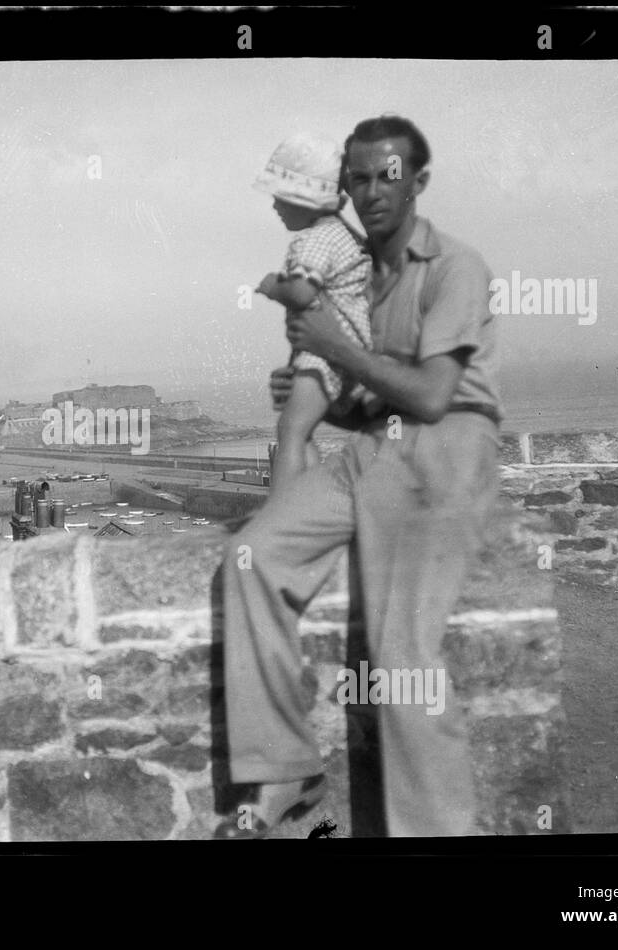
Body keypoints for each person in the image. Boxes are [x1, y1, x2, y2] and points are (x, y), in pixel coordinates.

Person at [216, 115, 504, 838]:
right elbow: (373, 395)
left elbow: (433, 396)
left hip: (441, 455)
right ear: (342, 186)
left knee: (401, 656)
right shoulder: (358, 268)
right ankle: (284, 770)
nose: (373, 191)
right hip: (372, 451)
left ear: (418, 183)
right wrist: (323, 396)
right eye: (359, 178)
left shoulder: (453, 266)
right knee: (249, 558)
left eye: (390, 175)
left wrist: (332, 348)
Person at [250, 134, 373, 490]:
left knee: (291, 430)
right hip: (341, 348)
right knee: (300, 432)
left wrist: (274, 286)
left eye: (279, 198)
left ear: (304, 201)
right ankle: (307, 502)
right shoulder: (340, 234)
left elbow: (303, 292)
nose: (274, 205)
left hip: (323, 354)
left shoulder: (314, 239)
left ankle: (282, 512)